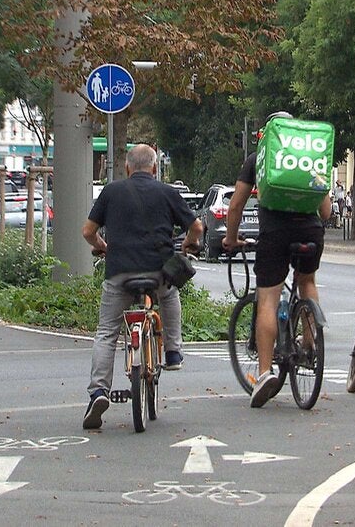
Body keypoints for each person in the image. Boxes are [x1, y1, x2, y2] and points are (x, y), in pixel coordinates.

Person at [81, 144, 203, 430]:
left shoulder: (111, 192)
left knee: (106, 332)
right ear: (155, 168)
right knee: (170, 297)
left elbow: (88, 231)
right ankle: (173, 352)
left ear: (126, 168)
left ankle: (99, 391)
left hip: (119, 272)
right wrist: (188, 244)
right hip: (158, 271)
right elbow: (196, 226)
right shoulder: (167, 192)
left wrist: (102, 247)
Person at [222, 112, 332, 408]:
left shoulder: (258, 158)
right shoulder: (310, 157)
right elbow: (325, 212)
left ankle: (264, 373)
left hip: (275, 233)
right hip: (310, 231)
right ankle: (309, 344)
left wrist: (231, 239)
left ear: (268, 133)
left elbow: (235, 206)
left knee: (268, 299)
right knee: (307, 280)